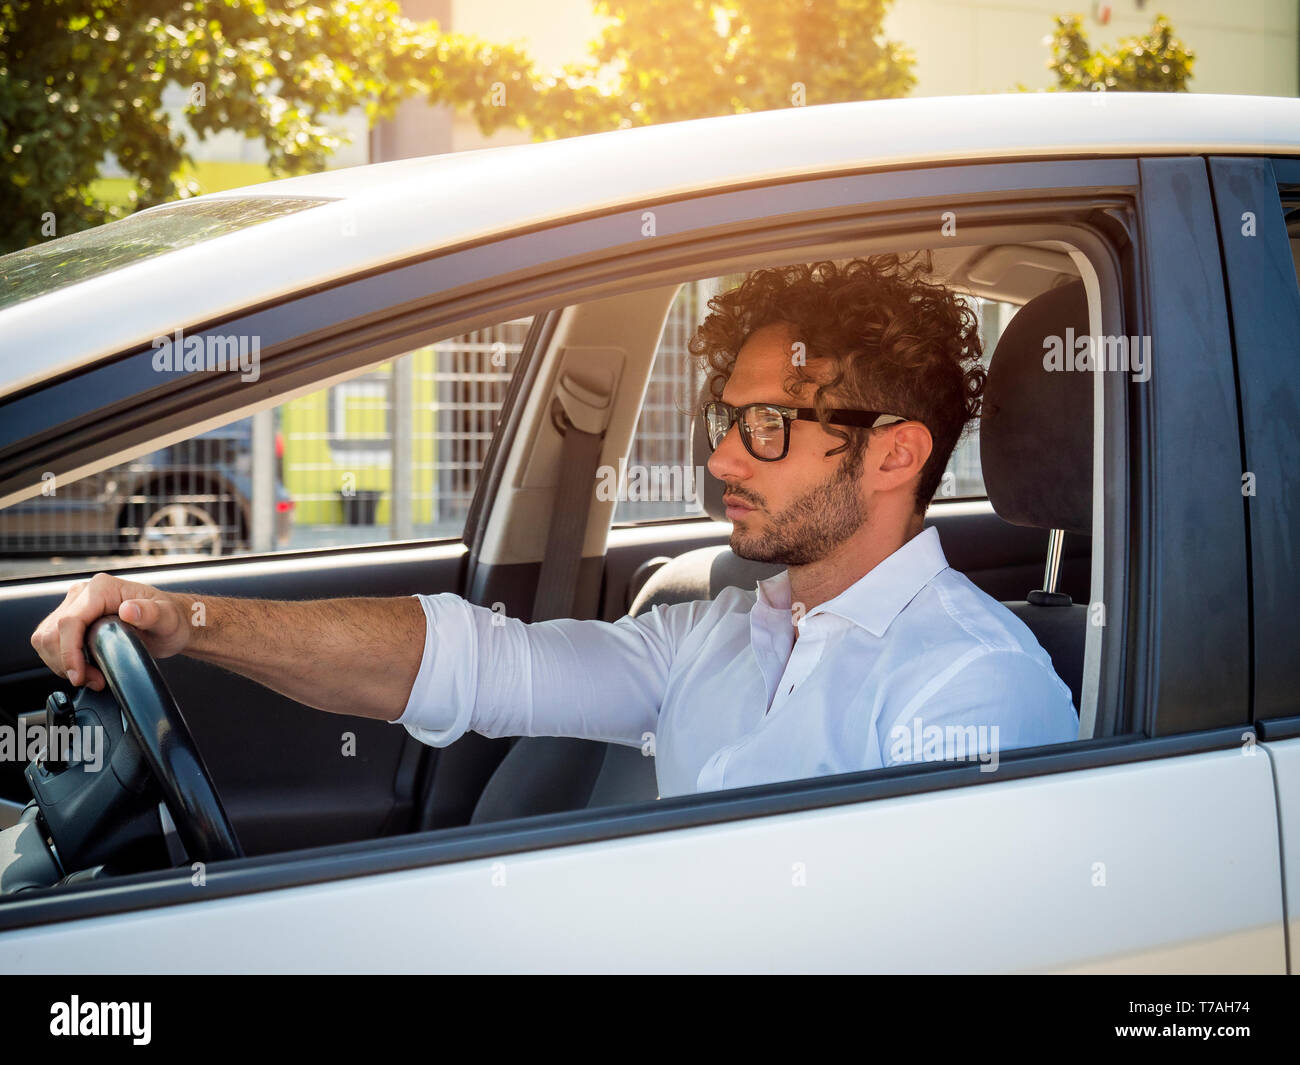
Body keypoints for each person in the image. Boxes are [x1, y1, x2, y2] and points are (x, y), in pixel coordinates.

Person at [29, 254, 1078, 798]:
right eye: (728, 422)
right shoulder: (713, 632)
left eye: (767, 428)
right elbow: (472, 664)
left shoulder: (970, 689)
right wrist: (186, 621)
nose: (718, 459)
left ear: (894, 453)